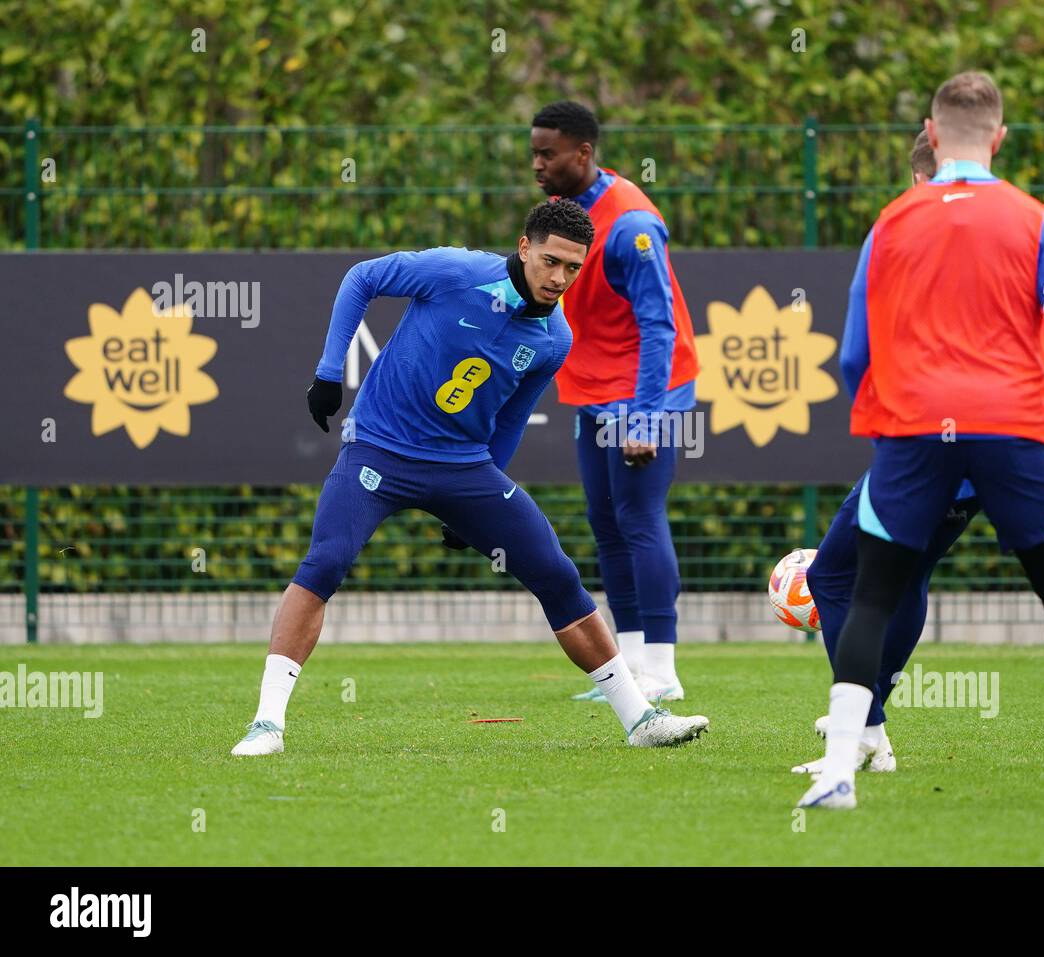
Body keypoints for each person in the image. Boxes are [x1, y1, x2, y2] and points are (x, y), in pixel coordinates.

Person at [230, 199, 709, 756]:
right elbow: (362, 278)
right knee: (325, 562)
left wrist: (478, 499)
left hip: (464, 468)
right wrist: (329, 372)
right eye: (550, 261)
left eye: (573, 268)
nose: (559, 278)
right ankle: (267, 724)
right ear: (524, 246)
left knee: (555, 573)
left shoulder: (555, 339)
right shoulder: (457, 271)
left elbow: (508, 419)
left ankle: (639, 720)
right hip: (378, 453)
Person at [797, 72, 1044, 810]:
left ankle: (837, 773)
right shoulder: (1033, 220)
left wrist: (883, 415)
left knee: (870, 597)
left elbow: (854, 353)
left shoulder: (891, 222)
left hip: (915, 430)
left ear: (929, 132)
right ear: (1001, 137)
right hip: (1011, 427)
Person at [794, 130, 981, 778]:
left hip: (920, 449)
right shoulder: (1006, 236)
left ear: (919, 180)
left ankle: (864, 723)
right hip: (992, 448)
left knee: (833, 574)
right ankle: (869, 725)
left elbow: (855, 352)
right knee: (910, 576)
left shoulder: (903, 236)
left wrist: (884, 431)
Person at [529, 101, 699, 703]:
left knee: (639, 519)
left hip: (645, 392)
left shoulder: (631, 224)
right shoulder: (567, 217)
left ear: (584, 153)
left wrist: (648, 417)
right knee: (606, 523)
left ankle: (664, 668)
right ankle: (630, 666)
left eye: (548, 153)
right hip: (598, 391)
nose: (538, 165)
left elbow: (661, 328)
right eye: (534, 153)